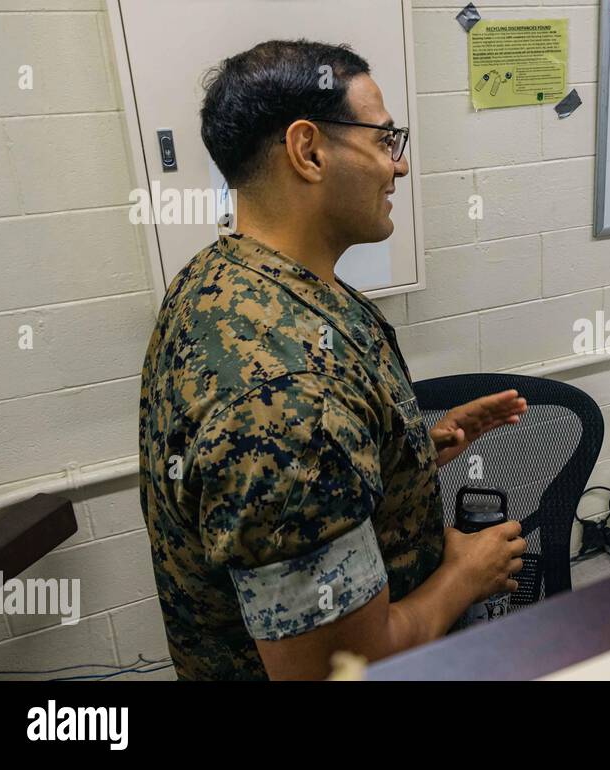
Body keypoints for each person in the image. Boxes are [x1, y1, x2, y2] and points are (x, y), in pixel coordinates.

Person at [138, 40, 526, 680]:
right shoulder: (288, 402)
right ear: (309, 150)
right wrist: (464, 576)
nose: (397, 168)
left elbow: (309, 485)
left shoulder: (224, 279)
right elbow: (336, 672)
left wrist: (405, 454)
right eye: (384, 140)